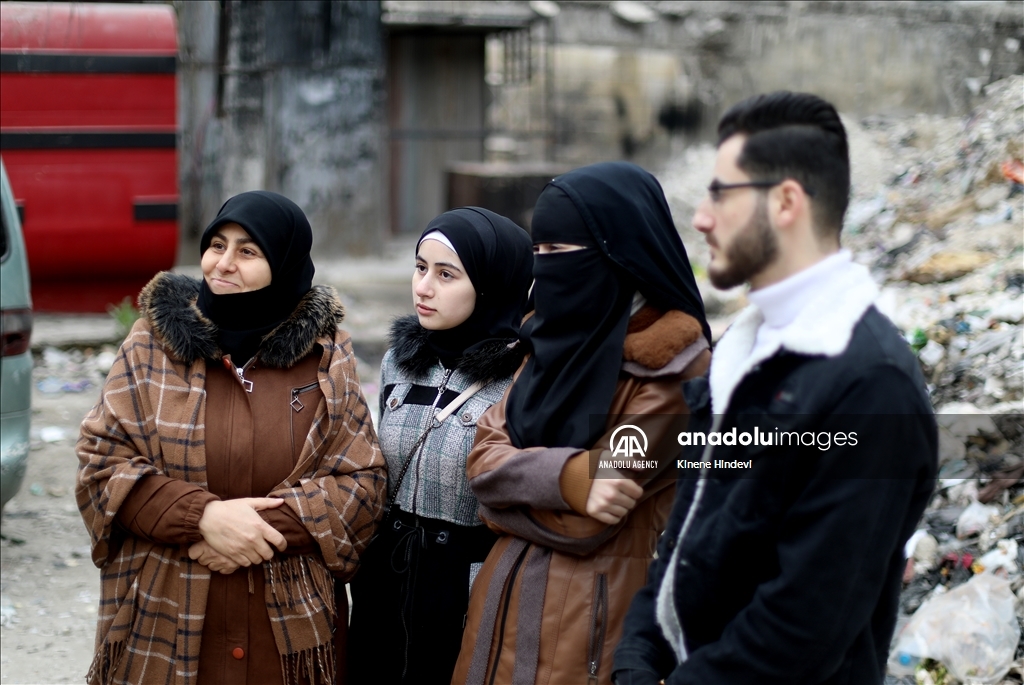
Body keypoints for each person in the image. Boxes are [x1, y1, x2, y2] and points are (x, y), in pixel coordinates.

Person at [613, 92, 938, 685]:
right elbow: (685, 538)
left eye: (720, 193)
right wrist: (638, 660)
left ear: (787, 200)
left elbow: (803, 627)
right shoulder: (741, 348)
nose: (701, 217)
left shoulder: (871, 383)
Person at [76, 191, 385, 685]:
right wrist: (202, 518)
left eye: (248, 251)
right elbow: (102, 465)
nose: (223, 263)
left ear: (283, 264)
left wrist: (256, 531)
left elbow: (361, 483)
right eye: (216, 244)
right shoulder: (151, 344)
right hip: (161, 619)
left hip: (287, 636)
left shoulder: (326, 355)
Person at [451, 162, 712, 685]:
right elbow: (479, 466)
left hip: (591, 628)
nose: (545, 267)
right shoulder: (546, 342)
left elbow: (589, 523)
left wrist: (508, 497)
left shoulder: (677, 367)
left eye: (560, 252)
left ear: (616, 251)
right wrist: (570, 480)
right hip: (500, 610)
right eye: (538, 252)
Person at [347, 207, 533, 685]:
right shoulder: (400, 362)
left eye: (446, 274)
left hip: (463, 586)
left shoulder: (524, 379)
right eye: (420, 267)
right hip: (385, 579)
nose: (423, 287)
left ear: (491, 283)